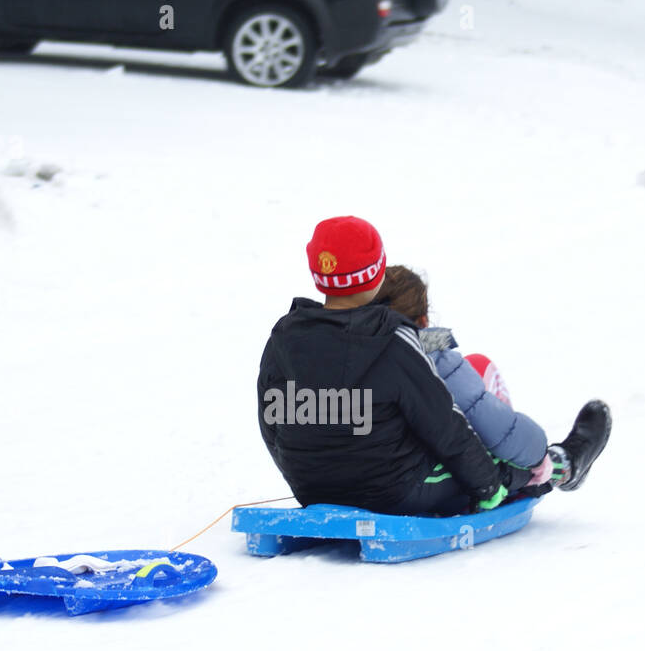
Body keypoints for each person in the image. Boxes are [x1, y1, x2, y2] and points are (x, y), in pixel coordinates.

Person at [256, 216, 608, 517]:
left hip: (313, 487)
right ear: (377, 273)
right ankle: (563, 465)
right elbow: (445, 425)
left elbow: (272, 423)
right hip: (397, 491)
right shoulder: (392, 340)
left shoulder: (283, 339)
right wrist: (487, 485)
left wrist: (302, 478)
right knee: (505, 467)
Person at [374, 265, 610, 494]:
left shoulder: (349, 352)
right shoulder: (436, 363)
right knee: (515, 456)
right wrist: (538, 454)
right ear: (424, 321)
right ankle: (562, 465)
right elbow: (503, 432)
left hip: (370, 466)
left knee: (476, 366)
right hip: (426, 475)